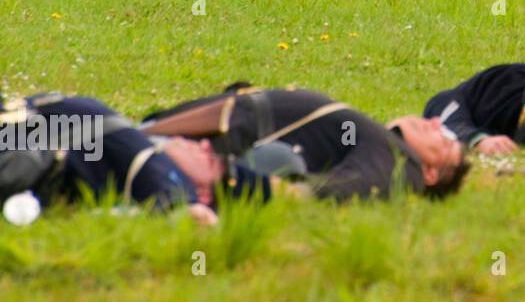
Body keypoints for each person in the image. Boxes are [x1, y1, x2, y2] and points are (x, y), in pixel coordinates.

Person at [144, 86, 470, 201]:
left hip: (214, 144)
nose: (435, 124)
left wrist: (246, 184)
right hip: (225, 118)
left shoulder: (401, 163)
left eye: (445, 141)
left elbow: (350, 188)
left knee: (102, 133)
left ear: (429, 172)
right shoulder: (382, 142)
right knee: (105, 132)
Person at [0, 93, 222, 224]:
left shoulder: (152, 165)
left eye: (210, 159)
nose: (204, 145)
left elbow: (194, 214)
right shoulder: (133, 151)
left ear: (203, 193)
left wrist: (188, 205)